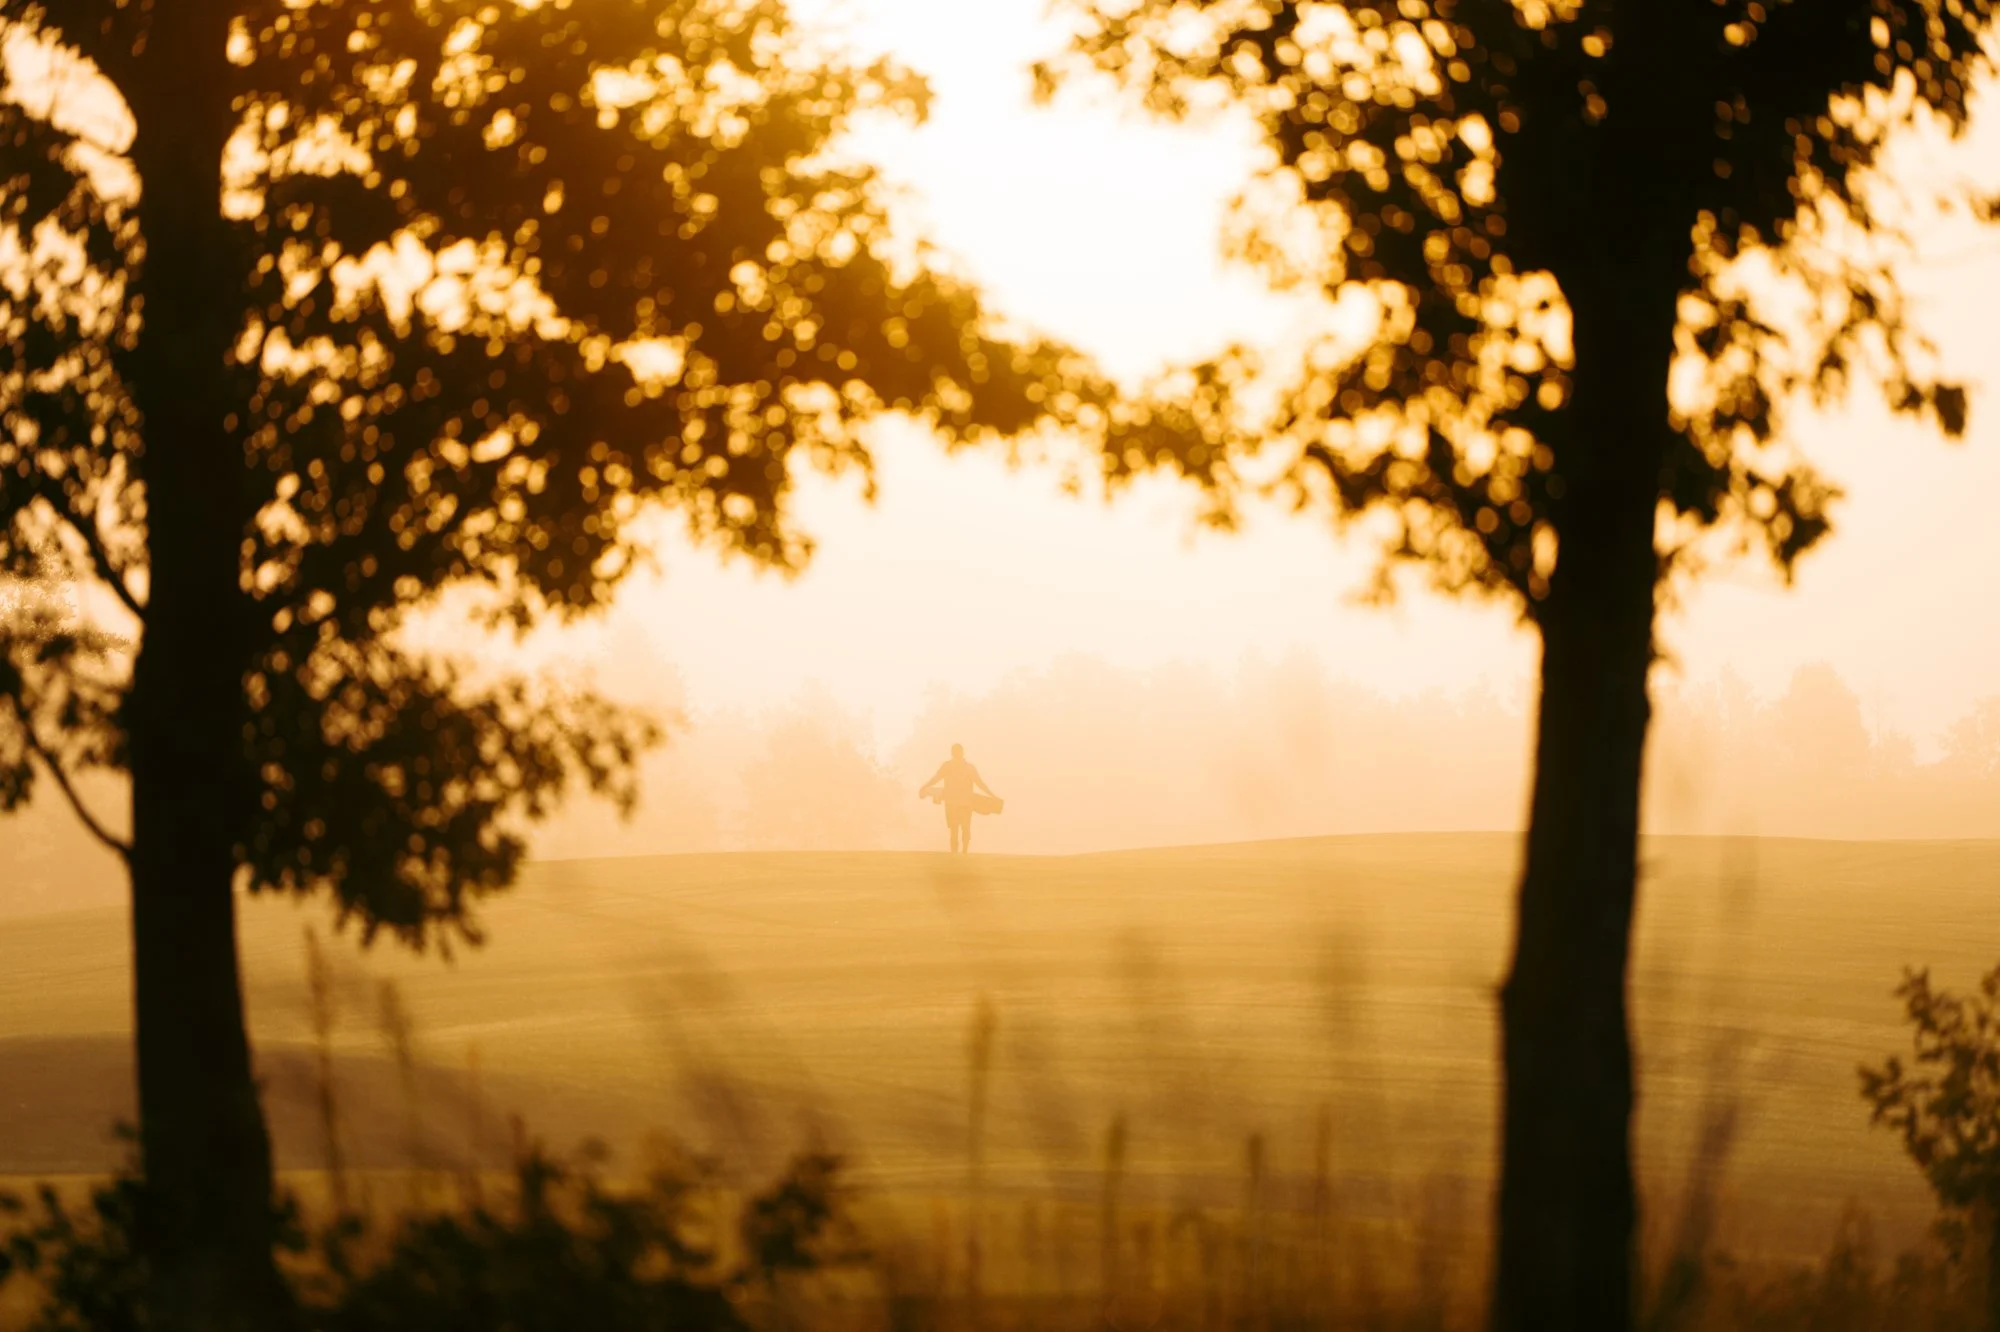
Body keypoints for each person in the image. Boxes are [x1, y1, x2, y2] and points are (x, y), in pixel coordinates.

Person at [918, 743, 1000, 854]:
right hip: (957, 802)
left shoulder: (963, 767)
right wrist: (926, 786)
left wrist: (992, 795)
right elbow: (980, 784)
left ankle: (960, 853)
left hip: (960, 802)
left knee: (959, 828)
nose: (957, 754)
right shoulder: (954, 767)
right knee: (958, 828)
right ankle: (958, 853)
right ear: (956, 753)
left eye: (958, 752)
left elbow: (980, 783)